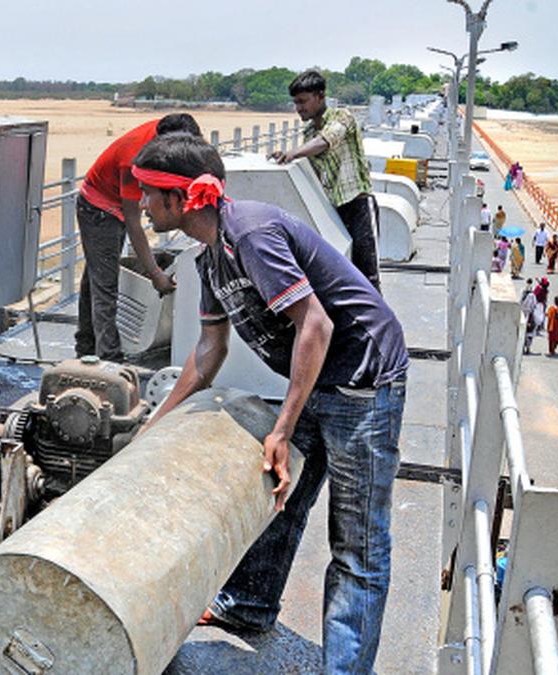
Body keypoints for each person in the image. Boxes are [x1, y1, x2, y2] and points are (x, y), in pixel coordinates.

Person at [134, 133, 408, 672]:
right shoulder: (209, 257)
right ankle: (250, 605)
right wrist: (155, 424)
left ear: (182, 197)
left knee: (357, 545)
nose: (142, 205)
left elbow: (315, 323)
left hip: (362, 382)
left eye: (149, 193)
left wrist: (282, 427)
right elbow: (210, 350)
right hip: (317, 379)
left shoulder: (251, 234)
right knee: (277, 496)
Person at [74, 113, 201, 361]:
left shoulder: (170, 131)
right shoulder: (134, 161)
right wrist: (155, 275)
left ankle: (85, 347)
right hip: (99, 209)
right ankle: (109, 359)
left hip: (114, 203)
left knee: (97, 275)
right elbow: (134, 225)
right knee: (105, 284)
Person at [269, 70, 381, 292]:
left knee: (367, 276)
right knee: (342, 273)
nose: (299, 108)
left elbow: (326, 140)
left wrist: (292, 153)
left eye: (303, 101)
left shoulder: (342, 117)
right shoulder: (309, 132)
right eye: (295, 103)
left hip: (357, 205)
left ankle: (380, 325)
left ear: (320, 96)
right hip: (333, 210)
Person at [521, 286, 542, 354]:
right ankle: (528, 348)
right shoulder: (532, 297)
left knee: (524, 335)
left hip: (525, 318)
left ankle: (524, 348)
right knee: (529, 336)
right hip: (530, 319)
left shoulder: (524, 299)